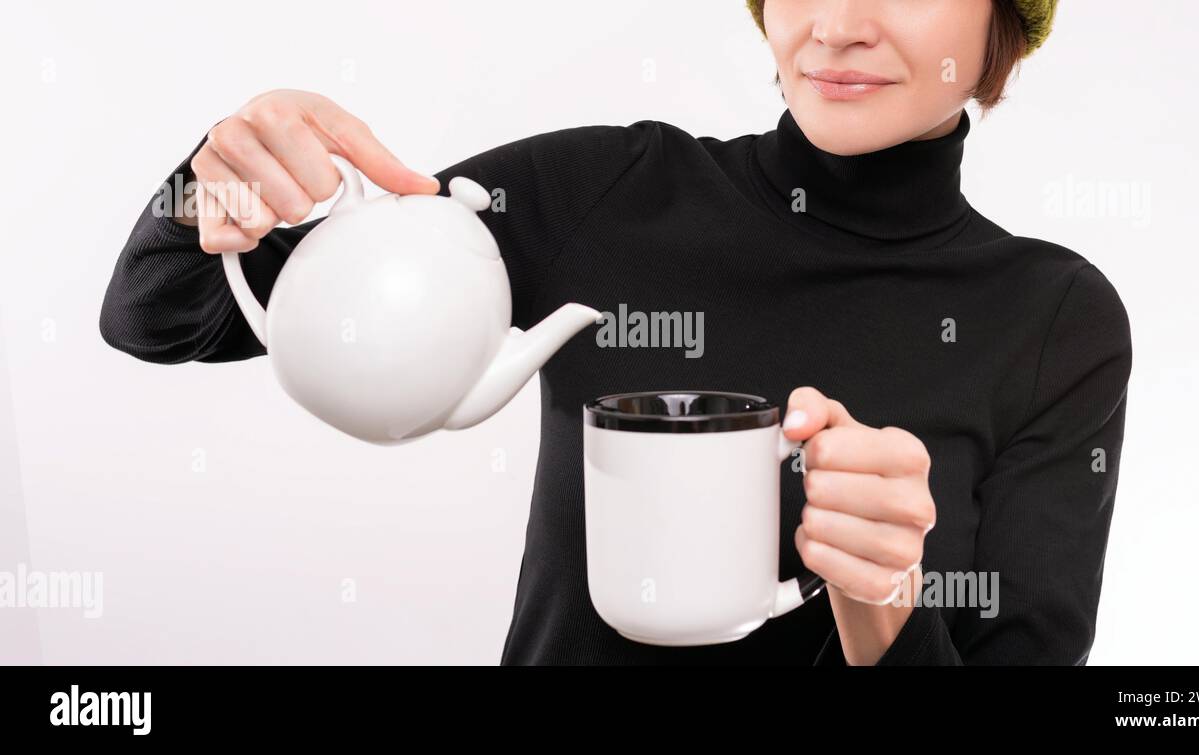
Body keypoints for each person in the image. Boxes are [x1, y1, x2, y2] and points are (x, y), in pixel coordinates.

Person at [100, 0, 1132, 665]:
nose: (836, 25)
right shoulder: (604, 191)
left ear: (1005, 18)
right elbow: (159, 316)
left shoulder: (1052, 318)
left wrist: (886, 613)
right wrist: (215, 184)